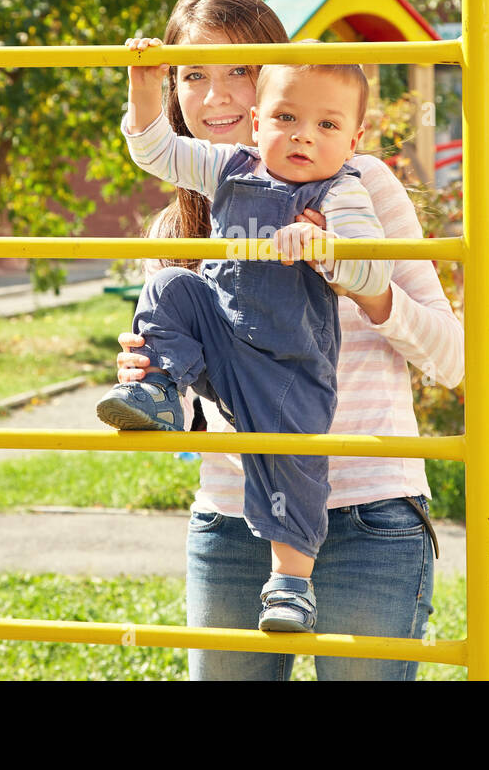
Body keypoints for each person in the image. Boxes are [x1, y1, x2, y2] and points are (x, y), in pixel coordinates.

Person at [113, 0, 464, 679]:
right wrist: (156, 378)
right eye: (192, 75)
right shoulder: (176, 231)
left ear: (274, 72)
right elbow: (199, 421)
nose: (216, 98)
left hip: (370, 512)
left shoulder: (357, 187)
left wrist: (363, 284)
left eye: (238, 71)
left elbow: (452, 362)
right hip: (234, 516)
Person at [97, 57, 388, 633]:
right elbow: (157, 152)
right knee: (169, 287)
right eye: (286, 117)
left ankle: (290, 585)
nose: (304, 134)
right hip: (223, 343)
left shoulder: (343, 192)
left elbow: (375, 273)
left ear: (355, 141)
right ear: (256, 124)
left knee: (293, 465)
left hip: (291, 368)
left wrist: (327, 245)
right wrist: (143, 85)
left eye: (328, 126)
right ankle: (159, 387)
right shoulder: (230, 167)